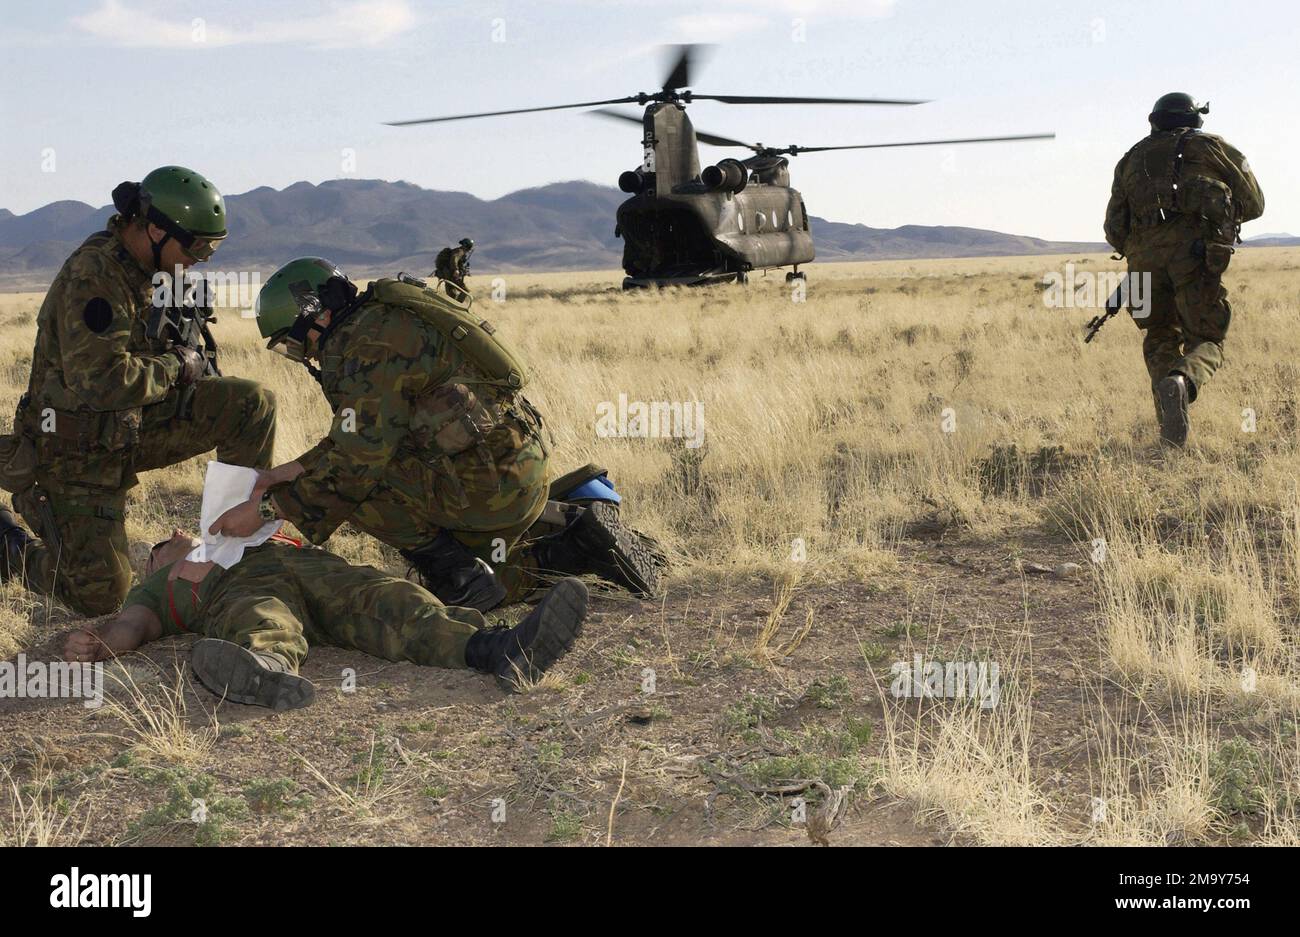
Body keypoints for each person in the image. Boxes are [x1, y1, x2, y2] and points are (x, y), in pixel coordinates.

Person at [209, 259, 658, 613]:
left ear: (317, 316)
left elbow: (355, 466)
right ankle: (571, 523)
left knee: (360, 493)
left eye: (294, 341)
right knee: (360, 474)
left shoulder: (364, 350)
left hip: (490, 488)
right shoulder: (383, 322)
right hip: (514, 465)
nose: (302, 354)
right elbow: (363, 435)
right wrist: (283, 473)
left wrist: (269, 509)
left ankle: (489, 570)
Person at [0, 167, 276, 614]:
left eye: (213, 247)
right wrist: (177, 365)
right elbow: (104, 383)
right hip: (74, 446)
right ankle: (9, 544)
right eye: (197, 246)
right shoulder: (95, 277)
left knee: (251, 403)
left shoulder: (157, 270)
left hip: (130, 426)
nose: (204, 258)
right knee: (100, 596)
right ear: (153, 230)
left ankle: (230, 554)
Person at [62, 529, 590, 708]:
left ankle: (500, 650)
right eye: (157, 547)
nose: (171, 537)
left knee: (390, 597)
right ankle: (263, 668)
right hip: (245, 587)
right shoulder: (160, 582)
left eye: (178, 533)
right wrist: (104, 642)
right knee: (261, 616)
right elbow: (135, 624)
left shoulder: (240, 525)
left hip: (315, 567)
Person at [1103, 93, 1264, 446]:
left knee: (1158, 336)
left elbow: (1114, 229)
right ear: (1194, 120)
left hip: (1142, 265)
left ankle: (1170, 433)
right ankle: (1182, 381)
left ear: (1154, 121)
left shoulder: (1130, 159)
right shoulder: (1212, 148)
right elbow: (1254, 203)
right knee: (1207, 339)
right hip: (1193, 257)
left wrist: (1144, 249)